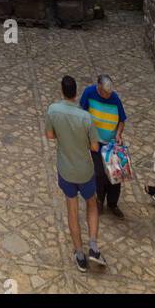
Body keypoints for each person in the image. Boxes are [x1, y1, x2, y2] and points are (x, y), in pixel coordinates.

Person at [45, 75, 106, 272]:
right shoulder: (86, 118)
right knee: (92, 204)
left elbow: (50, 135)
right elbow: (95, 147)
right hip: (85, 170)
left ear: (61, 91)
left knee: (72, 210)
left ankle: (79, 253)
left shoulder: (53, 110)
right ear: (76, 92)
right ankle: (94, 247)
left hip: (66, 169)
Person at [80, 74, 127, 217]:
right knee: (99, 173)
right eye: (105, 93)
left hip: (111, 144)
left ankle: (112, 203)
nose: (108, 95)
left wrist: (118, 134)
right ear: (99, 88)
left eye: (109, 93)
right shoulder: (89, 93)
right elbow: (81, 113)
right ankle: (99, 200)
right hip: (95, 142)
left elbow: (121, 120)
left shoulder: (115, 98)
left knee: (115, 174)